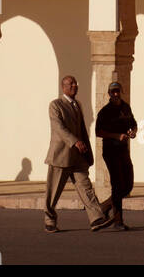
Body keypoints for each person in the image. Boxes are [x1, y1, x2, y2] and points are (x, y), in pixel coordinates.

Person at [44, 75, 114, 233]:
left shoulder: (77, 105)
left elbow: (82, 130)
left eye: (76, 83)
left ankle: (96, 218)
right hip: (60, 156)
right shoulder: (56, 105)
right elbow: (59, 128)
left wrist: (86, 150)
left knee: (85, 187)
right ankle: (49, 219)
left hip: (78, 156)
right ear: (63, 87)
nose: (75, 86)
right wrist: (75, 141)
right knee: (53, 191)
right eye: (71, 84)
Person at [96, 82, 137, 230]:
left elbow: (133, 123)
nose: (115, 94)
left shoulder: (126, 107)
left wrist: (133, 131)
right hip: (110, 151)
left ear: (121, 91)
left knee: (128, 185)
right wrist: (115, 136)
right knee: (117, 184)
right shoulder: (105, 112)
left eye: (117, 91)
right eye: (113, 92)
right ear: (109, 93)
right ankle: (118, 221)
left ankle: (105, 206)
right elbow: (98, 132)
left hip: (123, 151)